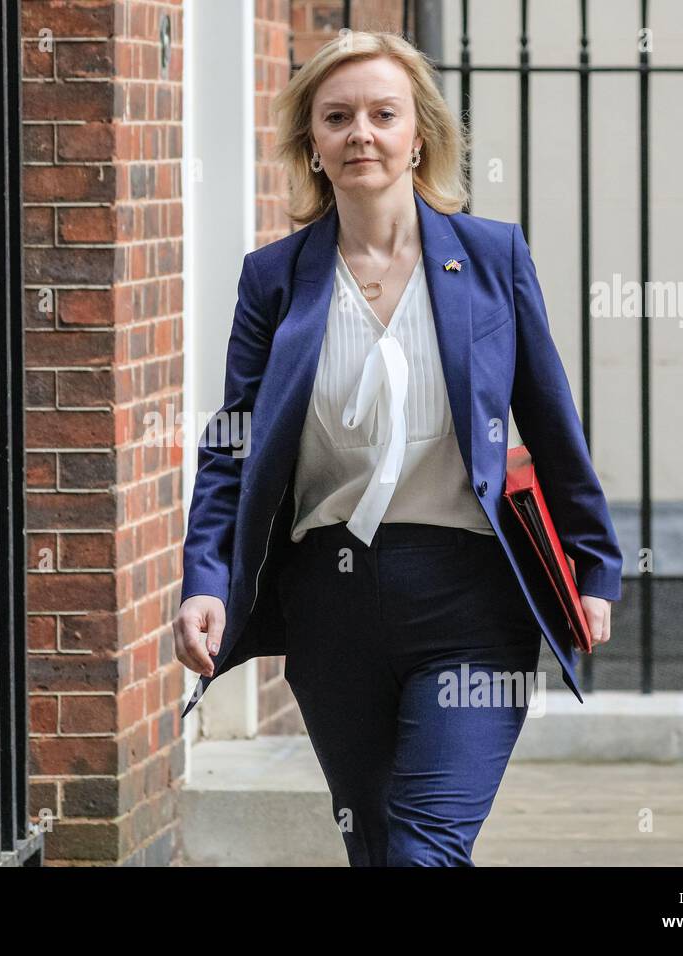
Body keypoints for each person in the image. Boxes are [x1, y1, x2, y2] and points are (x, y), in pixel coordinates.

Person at [172, 30, 622, 866]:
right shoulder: (274, 279)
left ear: (419, 136)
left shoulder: (491, 259)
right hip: (329, 608)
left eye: (384, 114)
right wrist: (206, 578)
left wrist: (594, 564)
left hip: (470, 603)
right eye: (337, 117)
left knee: (424, 847)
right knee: (377, 846)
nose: (361, 134)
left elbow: (551, 419)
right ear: (313, 143)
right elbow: (232, 447)